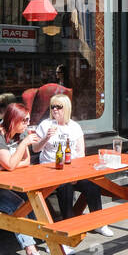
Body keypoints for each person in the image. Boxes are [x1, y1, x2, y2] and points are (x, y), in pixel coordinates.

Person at [0, 102, 64, 255]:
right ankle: (30, 250)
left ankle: (49, 241)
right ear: (13, 120)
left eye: (28, 120)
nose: (27, 123)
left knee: (33, 200)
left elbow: (25, 162)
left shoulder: (20, 134)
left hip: (3, 181)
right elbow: (11, 165)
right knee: (18, 206)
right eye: (24, 120)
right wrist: (23, 145)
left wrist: (2, 166)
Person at [33, 94, 112, 237]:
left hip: (72, 169)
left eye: (59, 107)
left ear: (67, 108)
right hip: (51, 170)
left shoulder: (74, 127)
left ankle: (99, 222)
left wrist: (76, 174)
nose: (55, 110)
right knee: (65, 187)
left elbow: (81, 153)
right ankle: (69, 227)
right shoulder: (45, 125)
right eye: (53, 107)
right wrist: (46, 138)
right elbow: (35, 149)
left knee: (92, 185)